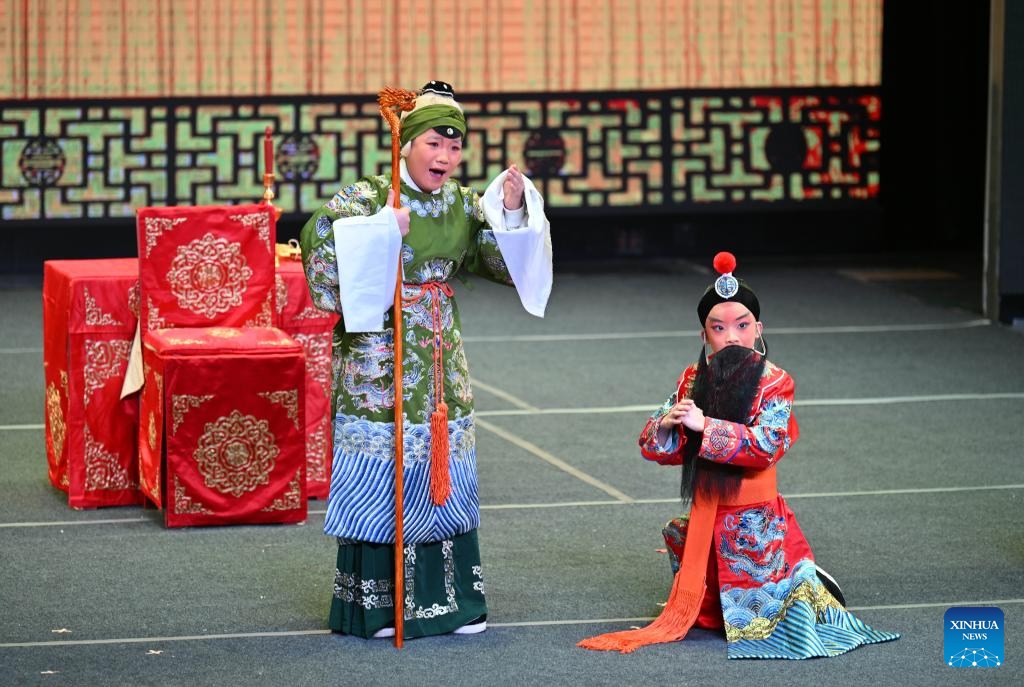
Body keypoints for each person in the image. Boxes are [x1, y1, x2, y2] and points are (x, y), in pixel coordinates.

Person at [300, 81, 551, 640]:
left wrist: (510, 212)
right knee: (381, 470)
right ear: (407, 143)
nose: (446, 157)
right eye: (435, 144)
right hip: (377, 362)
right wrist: (378, 233)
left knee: (443, 467)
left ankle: (453, 604)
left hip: (440, 357)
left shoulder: (464, 203)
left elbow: (503, 266)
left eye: (455, 148)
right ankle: (379, 606)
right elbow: (317, 245)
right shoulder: (369, 198)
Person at [579, 252, 898, 658]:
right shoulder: (692, 379)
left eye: (742, 326)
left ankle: (801, 577)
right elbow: (653, 444)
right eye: (719, 327)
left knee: (769, 625)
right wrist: (666, 425)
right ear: (704, 336)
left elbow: (767, 445)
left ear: (758, 329)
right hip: (707, 516)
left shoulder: (777, 383)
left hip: (755, 520)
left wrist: (705, 428)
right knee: (709, 612)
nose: (731, 336)